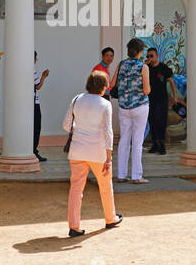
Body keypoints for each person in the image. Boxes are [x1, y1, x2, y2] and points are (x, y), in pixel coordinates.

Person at [62, 70, 123, 238]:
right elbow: (108, 132)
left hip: (77, 151)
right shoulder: (105, 104)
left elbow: (67, 125)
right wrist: (109, 156)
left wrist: (80, 129)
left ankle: (74, 226)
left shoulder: (77, 99)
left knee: (76, 189)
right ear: (103, 87)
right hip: (97, 151)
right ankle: (110, 217)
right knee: (105, 186)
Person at [113, 38, 151, 183]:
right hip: (140, 106)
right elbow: (146, 90)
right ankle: (136, 176)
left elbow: (112, 84)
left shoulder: (121, 64)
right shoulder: (143, 67)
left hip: (123, 106)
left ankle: (121, 174)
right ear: (140, 52)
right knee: (137, 141)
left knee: (124, 140)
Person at [145, 47, 174, 155]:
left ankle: (162, 144)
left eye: (151, 56)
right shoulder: (146, 68)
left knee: (161, 121)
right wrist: (146, 65)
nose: (149, 58)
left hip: (162, 99)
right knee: (152, 121)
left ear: (157, 56)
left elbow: (171, 82)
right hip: (150, 99)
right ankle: (154, 144)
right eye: (148, 56)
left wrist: (174, 97)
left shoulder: (163, 67)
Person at [33, 51, 49, 163]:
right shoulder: (31, 70)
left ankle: (33, 150)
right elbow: (38, 86)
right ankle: (33, 150)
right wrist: (44, 76)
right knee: (36, 127)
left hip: (28, 103)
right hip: (34, 103)